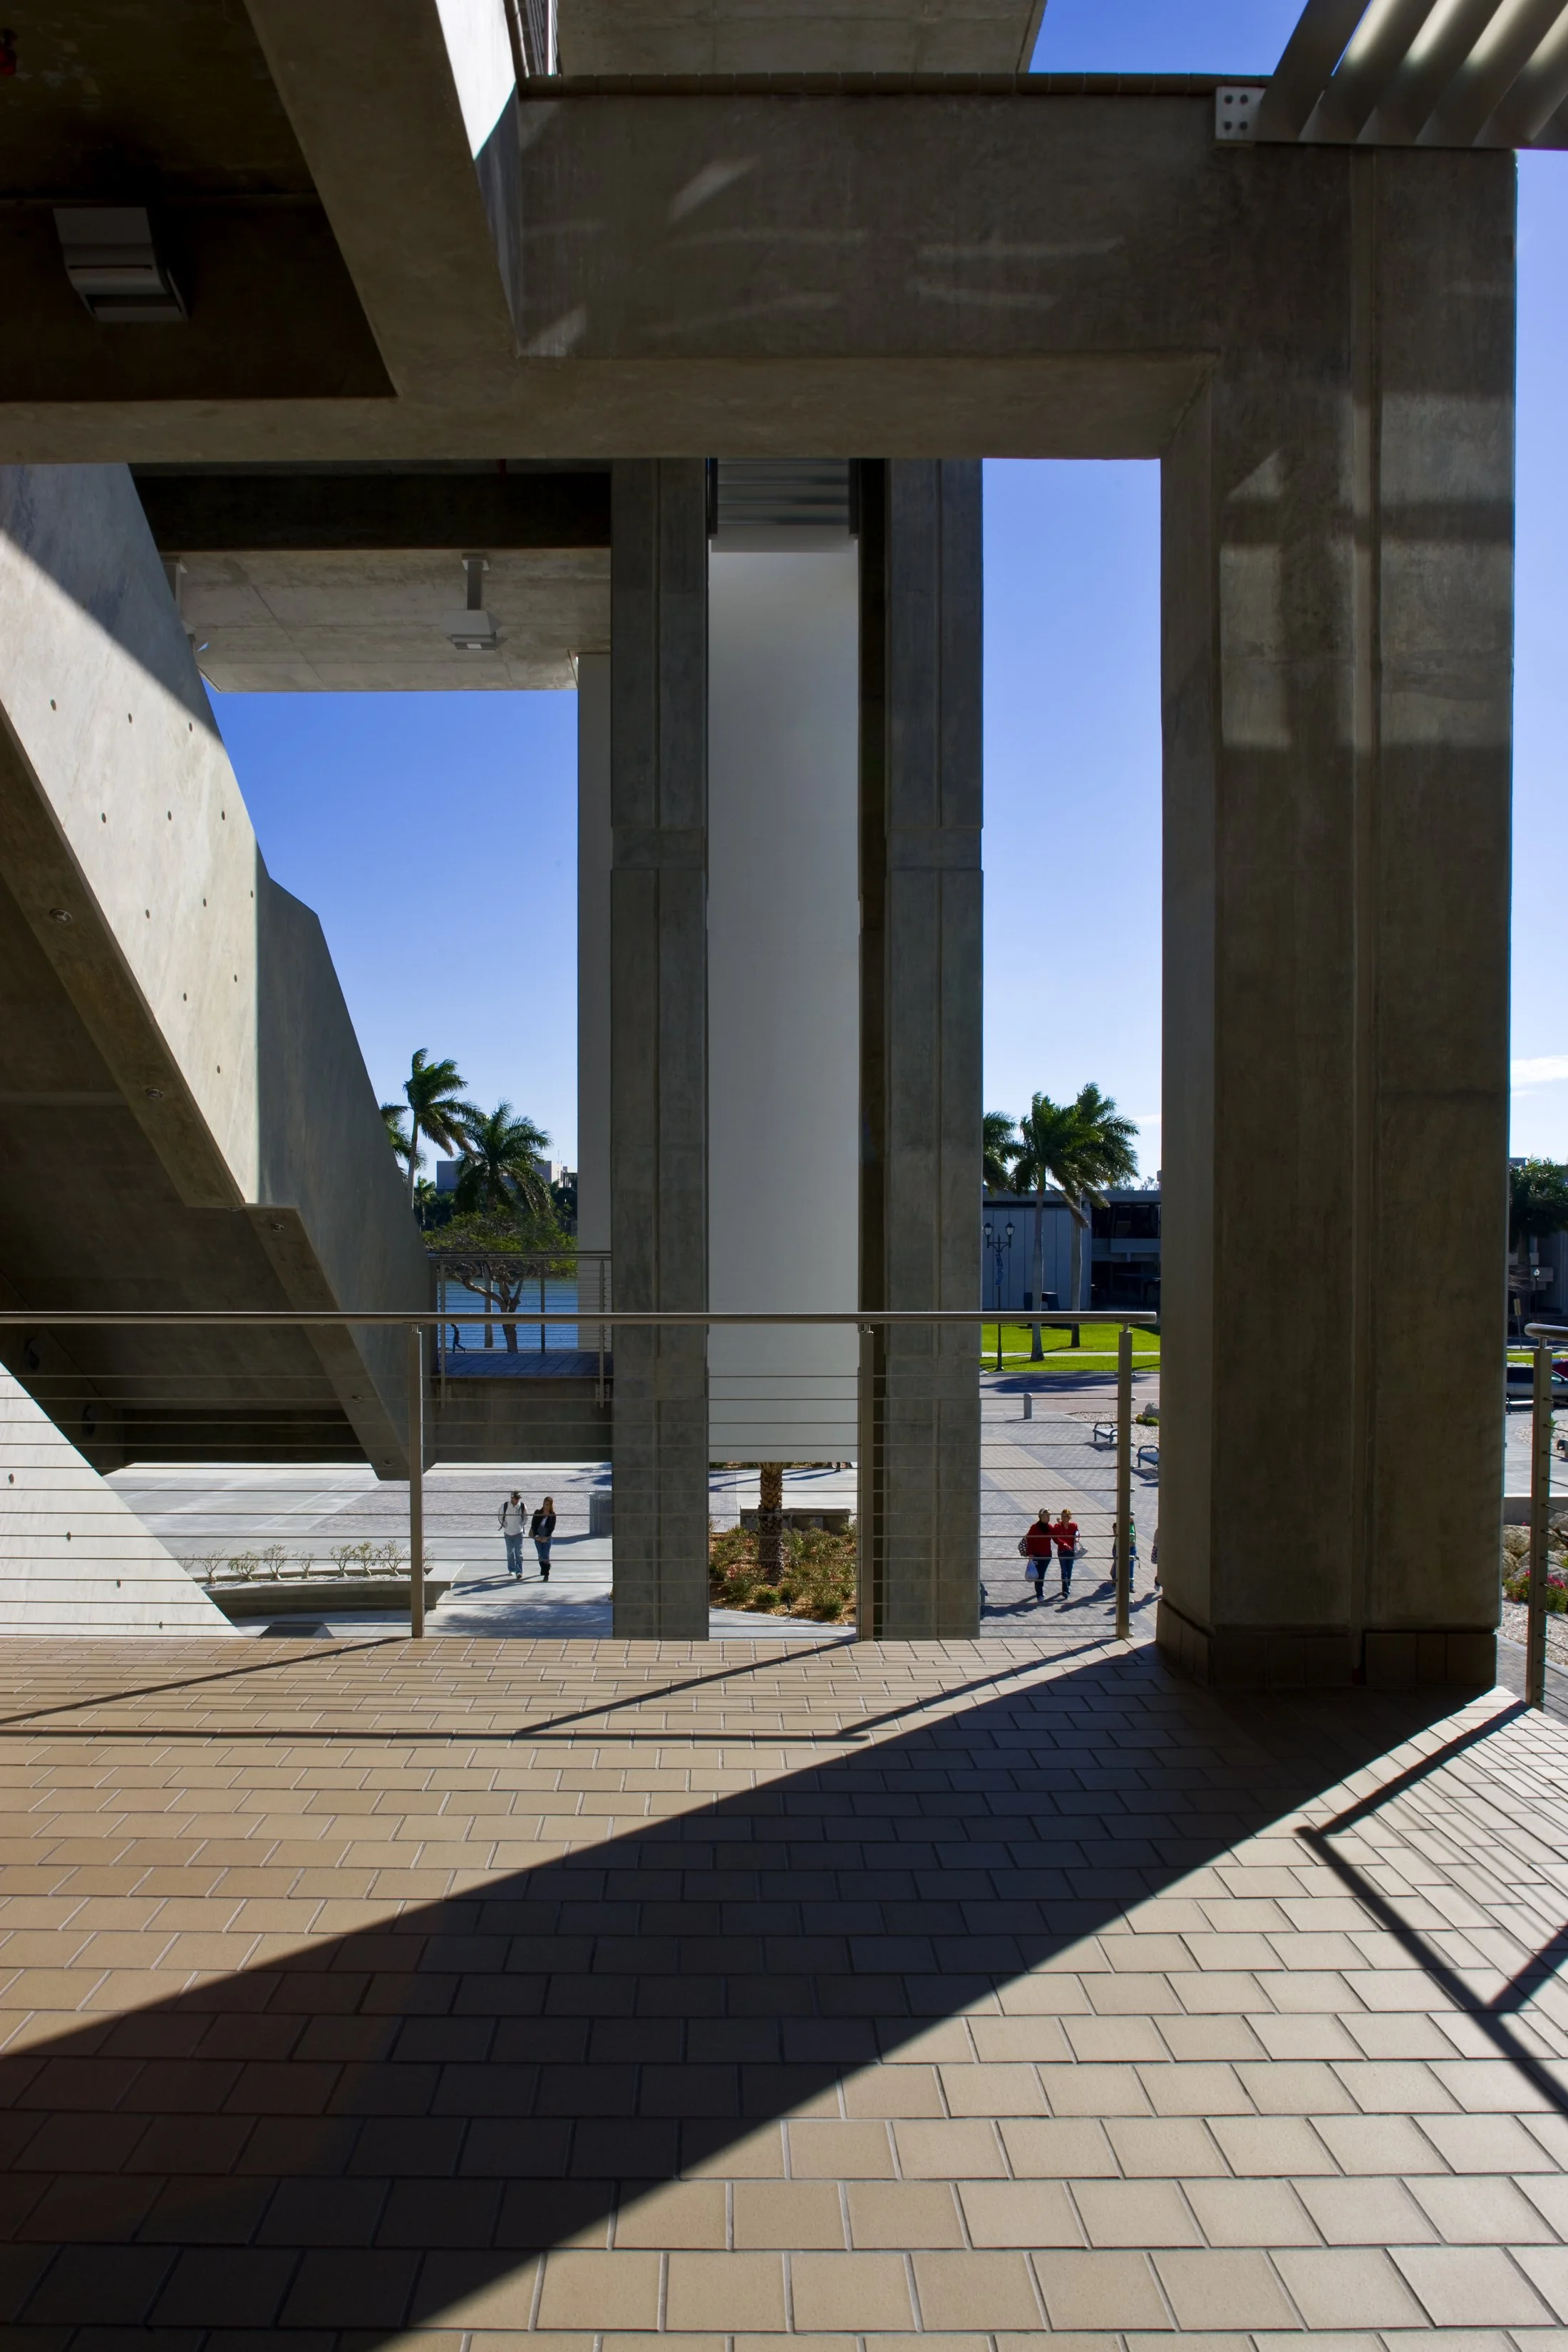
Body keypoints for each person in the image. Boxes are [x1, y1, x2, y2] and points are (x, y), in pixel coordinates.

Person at [1018, 1507, 1054, 1602]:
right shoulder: (1034, 1527)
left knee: (1042, 1574)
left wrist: (1064, 1544)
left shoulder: (1050, 1527)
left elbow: (1056, 1538)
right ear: (1042, 1516)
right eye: (1047, 1515)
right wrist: (1030, 1553)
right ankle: (1039, 1594)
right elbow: (1030, 1541)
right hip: (1037, 1556)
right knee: (1040, 1575)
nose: (1049, 1517)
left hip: (1047, 1556)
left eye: (1049, 1516)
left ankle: (1039, 1591)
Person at [1052, 1507, 1080, 1601]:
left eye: (1066, 1517)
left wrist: (1077, 1538)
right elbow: (1056, 1538)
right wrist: (1064, 1544)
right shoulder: (1058, 1527)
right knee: (1064, 1571)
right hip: (1062, 1551)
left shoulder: (1073, 1526)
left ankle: (1068, 1585)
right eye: (1063, 1517)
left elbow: (1077, 1533)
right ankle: (1065, 1590)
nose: (1064, 1519)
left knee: (1069, 1570)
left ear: (1069, 1518)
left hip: (1071, 1551)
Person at [498, 1490, 526, 1579]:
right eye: (516, 1499)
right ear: (512, 1498)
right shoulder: (505, 1506)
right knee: (510, 1552)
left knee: (519, 1552)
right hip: (508, 1533)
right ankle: (511, 1569)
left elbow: (526, 1517)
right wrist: (506, 1526)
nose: (517, 1500)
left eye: (518, 1499)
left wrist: (521, 1525)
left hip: (519, 1533)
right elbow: (500, 1516)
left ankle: (519, 1571)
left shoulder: (522, 1506)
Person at [530, 1495, 557, 1582]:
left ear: (550, 1505)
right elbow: (533, 1525)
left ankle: (546, 1574)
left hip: (547, 1538)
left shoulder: (553, 1515)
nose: (546, 1506)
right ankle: (543, 1569)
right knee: (540, 1555)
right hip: (538, 1537)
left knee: (546, 1556)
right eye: (545, 1504)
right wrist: (537, 1536)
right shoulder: (538, 1512)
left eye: (548, 1504)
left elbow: (552, 1528)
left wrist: (546, 1537)